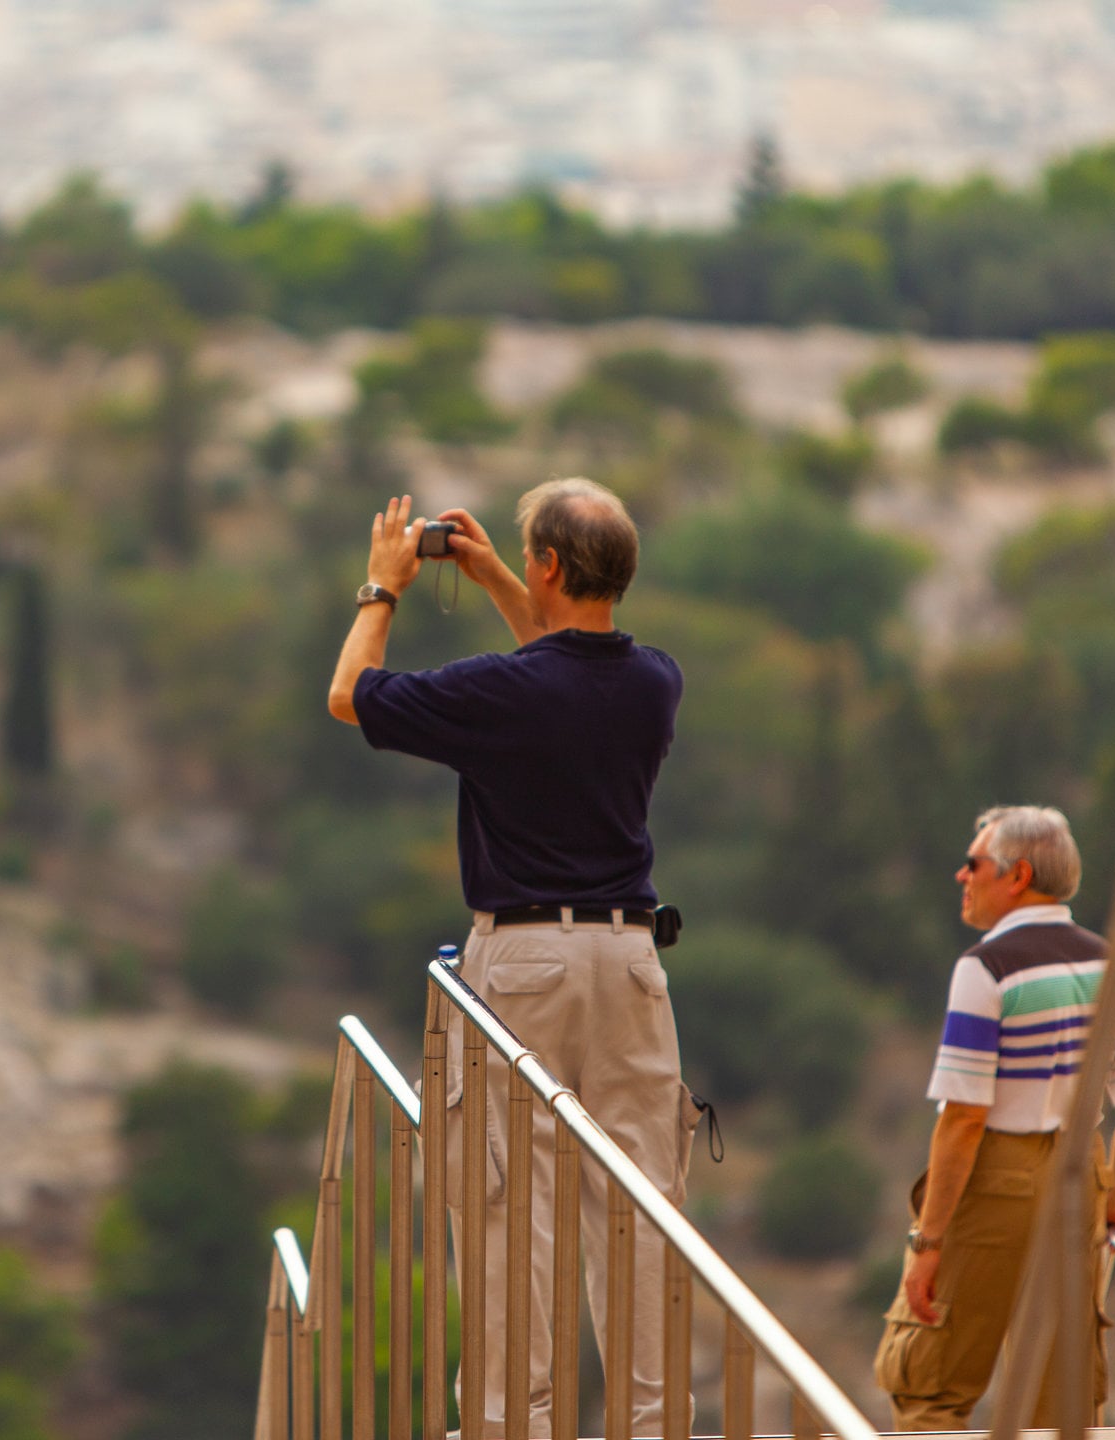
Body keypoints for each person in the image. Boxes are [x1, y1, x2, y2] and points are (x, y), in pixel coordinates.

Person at [327, 480, 688, 1437]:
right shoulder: (656, 679)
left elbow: (348, 695)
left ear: (551, 567)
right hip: (633, 963)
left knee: (504, 1209)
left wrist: (381, 590)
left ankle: (508, 1426)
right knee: (641, 1205)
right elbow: (565, 663)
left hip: (522, 961)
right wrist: (492, 569)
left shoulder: (502, 691)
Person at [874, 805, 1115, 1431]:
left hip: (996, 1177)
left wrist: (928, 1243)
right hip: (1082, 1176)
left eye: (973, 863)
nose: (961, 875)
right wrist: (1114, 1201)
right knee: (1059, 1399)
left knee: (932, 1383)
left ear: (1018, 874)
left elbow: (965, 1118)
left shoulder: (985, 969)